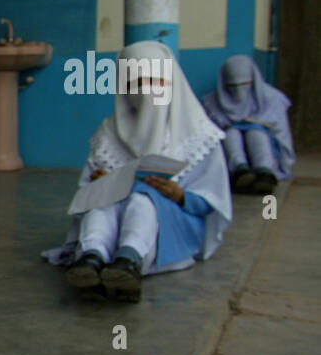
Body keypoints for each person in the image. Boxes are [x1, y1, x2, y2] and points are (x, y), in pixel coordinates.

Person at [42, 41, 231, 303]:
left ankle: (130, 260)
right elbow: (84, 194)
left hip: (168, 226)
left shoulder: (197, 134)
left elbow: (213, 200)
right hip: (112, 216)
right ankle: (92, 257)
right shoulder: (109, 132)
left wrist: (180, 195)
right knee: (102, 203)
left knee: (143, 201)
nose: (144, 92)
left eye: (154, 82)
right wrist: (97, 185)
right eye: (134, 84)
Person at [202, 54, 295, 194]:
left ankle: (265, 172)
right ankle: (240, 171)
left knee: (256, 133)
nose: (239, 90)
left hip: (268, 152)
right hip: (229, 156)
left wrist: (286, 163)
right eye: (233, 85)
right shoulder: (213, 103)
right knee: (231, 133)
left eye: (245, 84)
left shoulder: (273, 100)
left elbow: (283, 136)